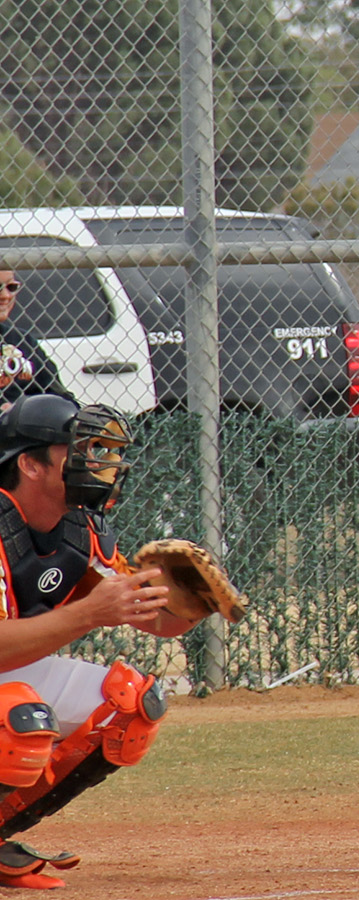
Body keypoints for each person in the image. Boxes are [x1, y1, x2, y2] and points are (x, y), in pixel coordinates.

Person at [0, 394, 197, 889]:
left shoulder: (78, 526)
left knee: (129, 705)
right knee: (19, 719)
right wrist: (89, 613)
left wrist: (192, 601)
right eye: (82, 450)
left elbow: (156, 621)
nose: (100, 464)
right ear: (30, 463)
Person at [0, 270, 72, 410]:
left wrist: (22, 411)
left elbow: (61, 398)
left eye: (11, 287)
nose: (5, 296)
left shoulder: (19, 340)